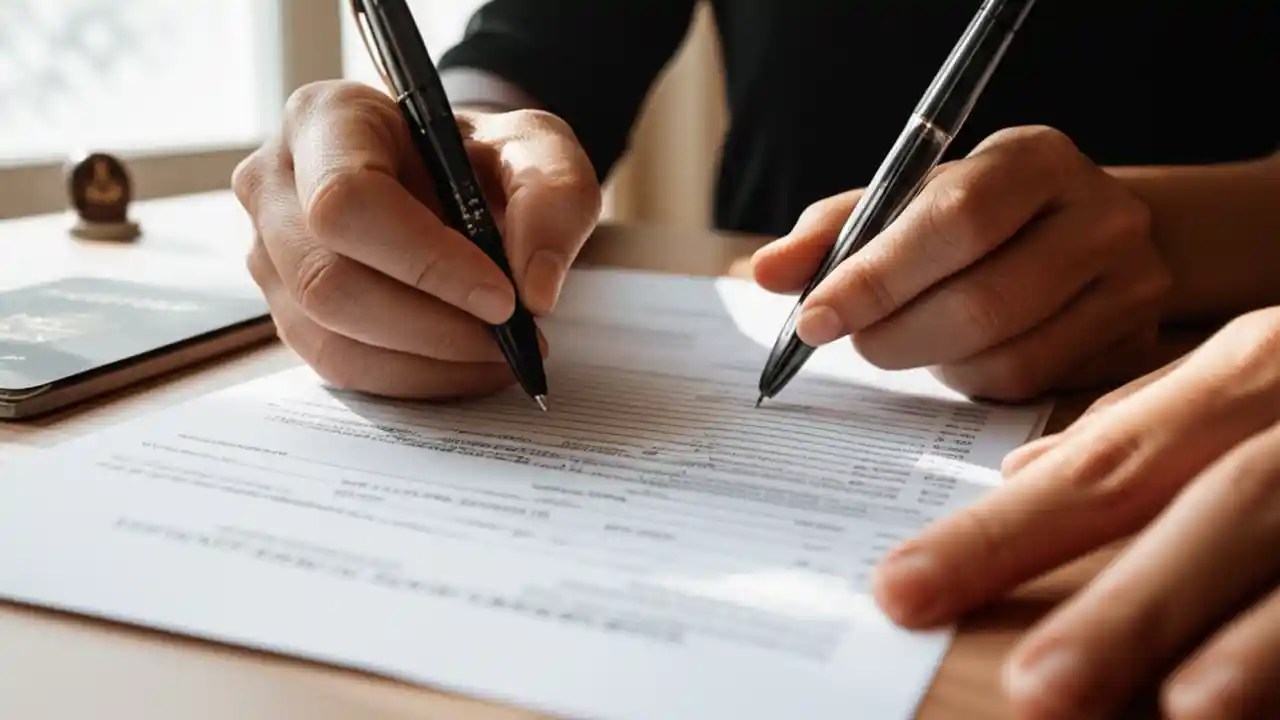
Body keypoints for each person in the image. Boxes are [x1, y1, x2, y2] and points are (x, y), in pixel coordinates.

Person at [231, 3, 1280, 717]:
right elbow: (541, 44)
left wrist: (1184, 231)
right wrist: (449, 149)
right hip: (751, 303)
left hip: (1195, 397)